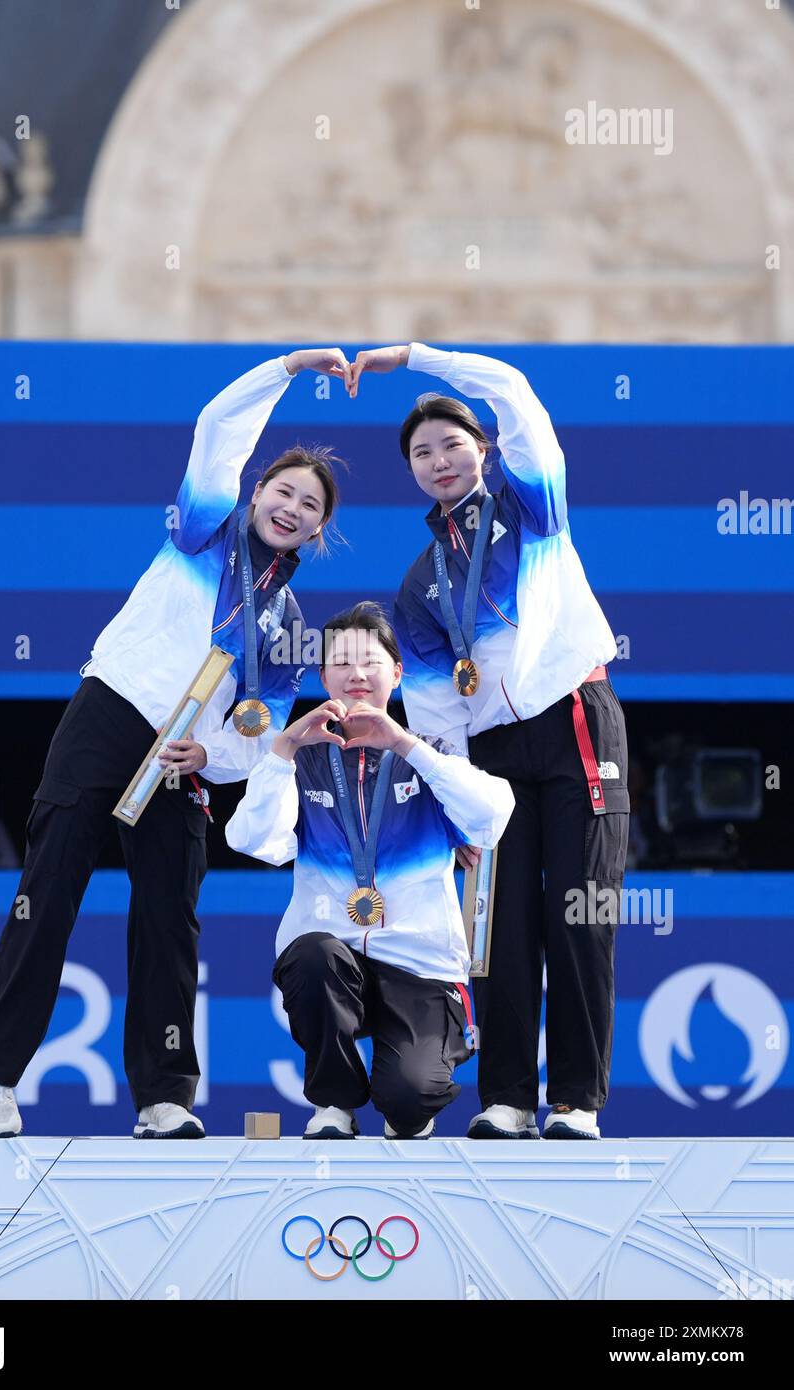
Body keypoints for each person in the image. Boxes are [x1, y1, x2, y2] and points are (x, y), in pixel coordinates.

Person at [0, 347, 350, 1139]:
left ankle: (164, 1095)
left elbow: (264, 729)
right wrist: (288, 367)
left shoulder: (289, 626)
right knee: (51, 885)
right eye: (283, 491)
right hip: (112, 712)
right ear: (253, 494)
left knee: (170, 915)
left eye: (309, 505)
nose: (292, 508)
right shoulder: (203, 531)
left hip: (183, 760)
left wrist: (212, 757)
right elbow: (217, 427)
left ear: (318, 530)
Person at [346, 343, 628, 1141]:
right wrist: (459, 802)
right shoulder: (416, 583)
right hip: (493, 756)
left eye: (451, 445)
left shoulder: (532, 505)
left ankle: (575, 1100)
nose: (437, 461)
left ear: (486, 451)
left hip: (573, 718)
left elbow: (512, 389)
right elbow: (434, 710)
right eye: (420, 453)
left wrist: (417, 358)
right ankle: (505, 1097)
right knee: (498, 926)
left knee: (577, 909)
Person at [225, 602, 515, 1138]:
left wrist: (405, 744)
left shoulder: (430, 752)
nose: (357, 674)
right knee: (312, 954)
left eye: (371, 661)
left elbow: (492, 816)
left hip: (420, 962)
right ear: (323, 675)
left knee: (408, 1102)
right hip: (334, 956)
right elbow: (254, 842)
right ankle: (334, 1103)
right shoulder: (302, 758)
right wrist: (283, 748)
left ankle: (407, 1089)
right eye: (342, 662)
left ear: (397, 673)